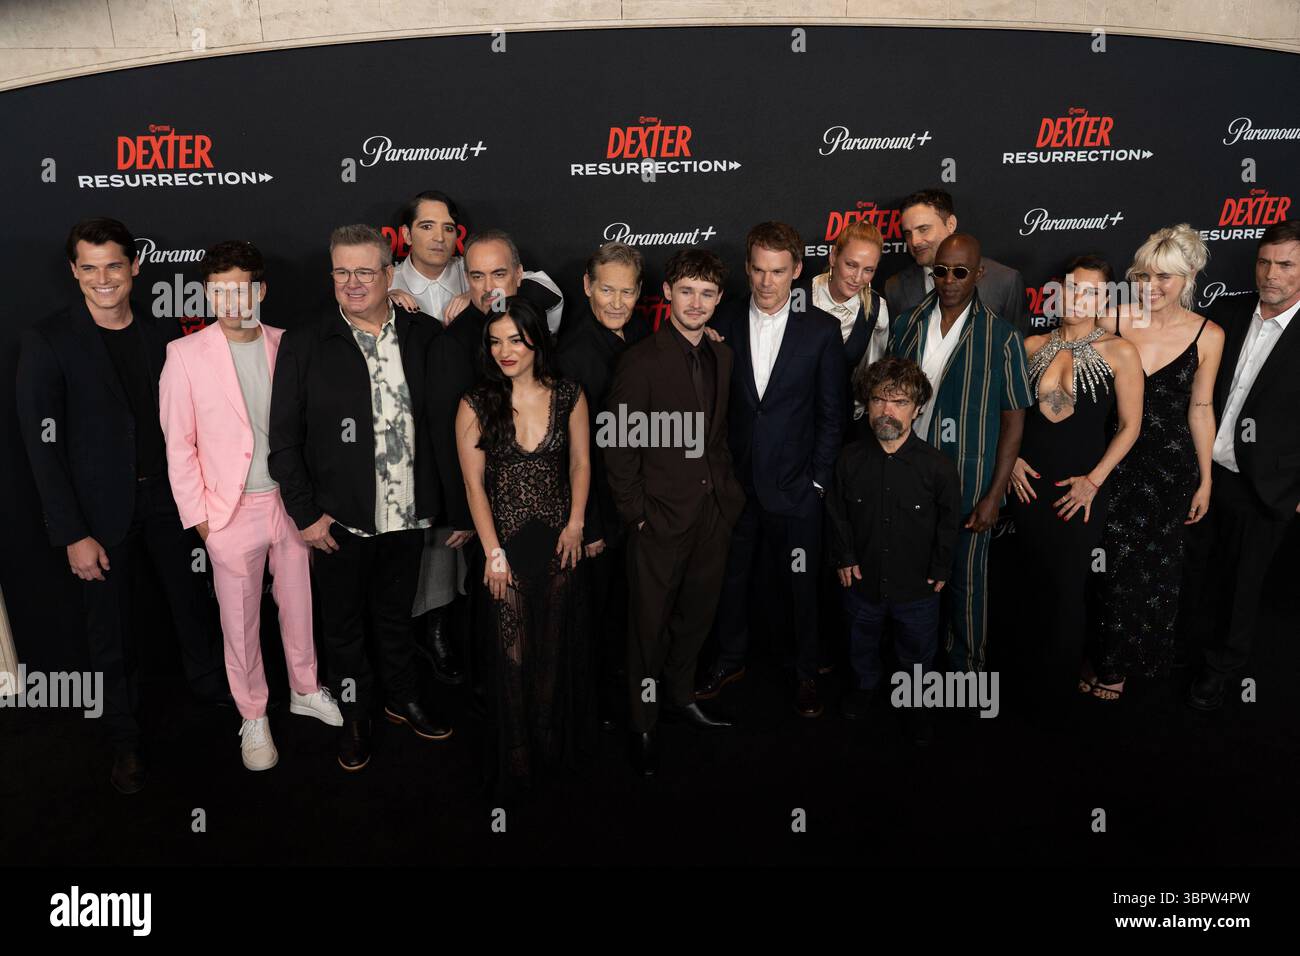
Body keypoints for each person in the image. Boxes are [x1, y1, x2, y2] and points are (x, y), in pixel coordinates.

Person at [15, 217, 227, 794]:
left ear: (135, 267)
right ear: (74, 272)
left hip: (170, 501)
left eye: (114, 265)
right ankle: (123, 740)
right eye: (89, 267)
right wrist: (71, 533)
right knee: (110, 631)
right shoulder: (49, 339)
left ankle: (216, 702)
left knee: (192, 605)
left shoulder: (165, 337)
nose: (103, 278)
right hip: (96, 517)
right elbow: (42, 447)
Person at [268, 224, 450, 772]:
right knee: (343, 627)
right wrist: (306, 515)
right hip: (339, 522)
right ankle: (355, 713)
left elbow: (446, 424)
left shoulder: (423, 336)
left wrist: (449, 508)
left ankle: (401, 697)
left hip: (408, 516)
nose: (352, 282)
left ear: (388, 273)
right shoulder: (307, 341)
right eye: (342, 271)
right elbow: (283, 440)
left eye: (365, 271)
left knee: (396, 616)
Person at [159, 240, 342, 771]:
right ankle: (254, 714)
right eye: (219, 291)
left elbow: (311, 431)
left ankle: (305, 689)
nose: (231, 301)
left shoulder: (289, 345)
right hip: (228, 512)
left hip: (290, 505)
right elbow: (178, 445)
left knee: (300, 606)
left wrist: (311, 501)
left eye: (241, 290)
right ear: (207, 294)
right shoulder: (184, 355)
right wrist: (202, 523)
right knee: (238, 622)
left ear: (260, 291)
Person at [604, 247, 746, 776]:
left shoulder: (721, 354)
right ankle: (642, 720)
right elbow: (618, 444)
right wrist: (637, 514)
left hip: (712, 512)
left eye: (707, 294)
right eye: (686, 291)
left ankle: (681, 695)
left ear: (717, 300)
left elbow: (718, 433)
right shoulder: (640, 360)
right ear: (666, 293)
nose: (696, 302)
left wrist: (727, 497)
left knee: (696, 618)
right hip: (658, 518)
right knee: (648, 625)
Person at [696, 222, 844, 717]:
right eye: (758, 269)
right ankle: (730, 659)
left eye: (778, 271)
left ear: (797, 271)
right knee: (732, 577)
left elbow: (831, 413)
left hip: (796, 487)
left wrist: (817, 482)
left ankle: (805, 671)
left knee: (801, 586)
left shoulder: (821, 330)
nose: (766, 281)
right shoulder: (726, 321)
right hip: (737, 485)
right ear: (746, 268)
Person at [456, 296, 594, 792]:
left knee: (554, 651)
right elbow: (474, 486)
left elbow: (580, 463)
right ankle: (516, 754)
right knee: (511, 656)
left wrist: (576, 524)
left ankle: (549, 745)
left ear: (537, 339)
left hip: (560, 542)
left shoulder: (570, 395)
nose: (504, 351)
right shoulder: (475, 403)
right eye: (495, 341)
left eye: (515, 339)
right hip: (505, 548)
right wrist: (493, 554)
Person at [1088, 225, 1223, 700]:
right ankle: (1097, 654)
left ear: (1190, 276)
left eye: (1167, 277)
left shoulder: (1209, 335)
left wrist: (1205, 479)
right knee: (1103, 563)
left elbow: (1201, 409)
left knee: (1153, 570)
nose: (1154, 287)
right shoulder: (1113, 319)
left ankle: (1124, 664)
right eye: (1145, 275)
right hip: (1112, 461)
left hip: (1170, 468)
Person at [890, 232, 1031, 674]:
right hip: (909, 476)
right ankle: (915, 670)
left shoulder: (1002, 337)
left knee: (967, 584)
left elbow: (1013, 420)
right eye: (941, 271)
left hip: (970, 484)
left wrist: (994, 494)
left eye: (960, 272)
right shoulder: (906, 324)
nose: (948, 280)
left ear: (979, 275)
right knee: (912, 580)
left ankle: (967, 673)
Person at [1006, 256, 1143, 710]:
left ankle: (1057, 693)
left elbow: (1129, 427)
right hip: (1027, 487)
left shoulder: (1120, 351)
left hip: (1081, 490)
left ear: (1105, 298)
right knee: (1027, 582)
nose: (1077, 299)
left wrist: (1093, 482)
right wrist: (1010, 463)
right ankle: (1022, 685)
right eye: (1070, 289)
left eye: (1090, 291)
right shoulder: (1029, 346)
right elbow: (1008, 418)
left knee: (1068, 589)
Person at [1184, 220, 1300, 711]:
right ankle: (1180, 651)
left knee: (1243, 586)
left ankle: (1221, 670)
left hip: (1267, 486)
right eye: (1264, 261)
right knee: (1194, 572)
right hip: (1203, 473)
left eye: (1286, 264)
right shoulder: (1226, 313)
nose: (1270, 274)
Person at [826, 356, 959, 743]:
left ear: (917, 410)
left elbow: (949, 523)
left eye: (899, 402)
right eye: (879, 400)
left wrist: (941, 567)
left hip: (918, 587)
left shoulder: (937, 467)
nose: (887, 410)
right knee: (859, 642)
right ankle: (864, 687)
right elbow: (836, 512)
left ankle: (917, 704)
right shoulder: (848, 459)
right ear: (867, 405)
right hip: (861, 582)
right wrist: (845, 556)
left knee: (917, 651)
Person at [555, 242, 650, 730]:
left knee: (624, 612)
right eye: (606, 289)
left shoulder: (638, 335)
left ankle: (618, 697)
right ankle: (588, 709)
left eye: (627, 291)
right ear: (587, 286)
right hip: (596, 514)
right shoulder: (572, 355)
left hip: (633, 505)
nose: (616, 301)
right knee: (592, 615)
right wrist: (586, 524)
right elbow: (571, 453)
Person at [390, 190, 471, 687]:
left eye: (447, 227)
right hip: (403, 435)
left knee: (455, 540)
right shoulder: (383, 280)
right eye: (426, 226)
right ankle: (409, 638)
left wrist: (486, 293)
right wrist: (385, 297)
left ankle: (442, 630)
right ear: (405, 235)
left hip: (468, 430)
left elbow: (549, 293)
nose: (438, 237)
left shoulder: (476, 275)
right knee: (412, 540)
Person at [885, 189, 1030, 337]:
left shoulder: (1004, 281)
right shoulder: (895, 287)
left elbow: (1016, 348)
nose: (914, 241)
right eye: (908, 233)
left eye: (923, 229)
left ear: (950, 224)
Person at [814, 218, 891, 428]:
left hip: (842, 421)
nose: (857, 278)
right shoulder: (801, 297)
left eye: (868, 270)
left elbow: (872, 374)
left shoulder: (876, 310)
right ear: (833, 257)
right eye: (851, 265)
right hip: (792, 418)